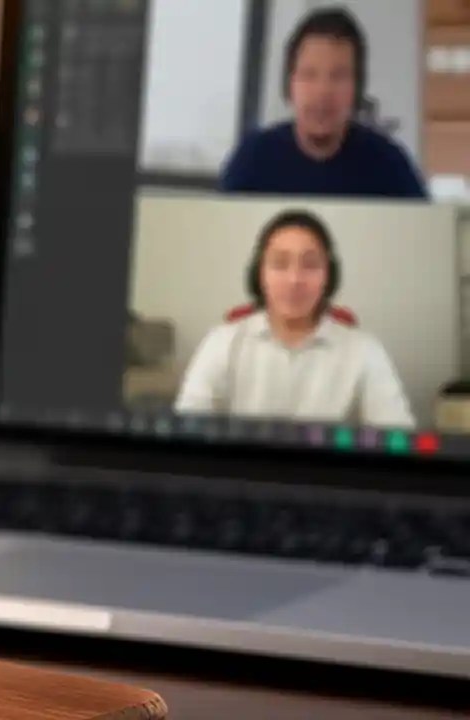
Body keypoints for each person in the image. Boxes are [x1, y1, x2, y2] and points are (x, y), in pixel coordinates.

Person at [174, 209, 415, 428]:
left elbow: (397, 433)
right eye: (279, 264)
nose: (294, 280)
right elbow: (188, 425)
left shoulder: (366, 351)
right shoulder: (221, 342)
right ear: (260, 274)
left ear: (328, 276)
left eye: (310, 265)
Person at [220, 7, 427, 199]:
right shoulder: (252, 160)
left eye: (338, 76)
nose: (323, 91)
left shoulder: (390, 166)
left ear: (357, 87)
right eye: (309, 75)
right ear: (289, 84)